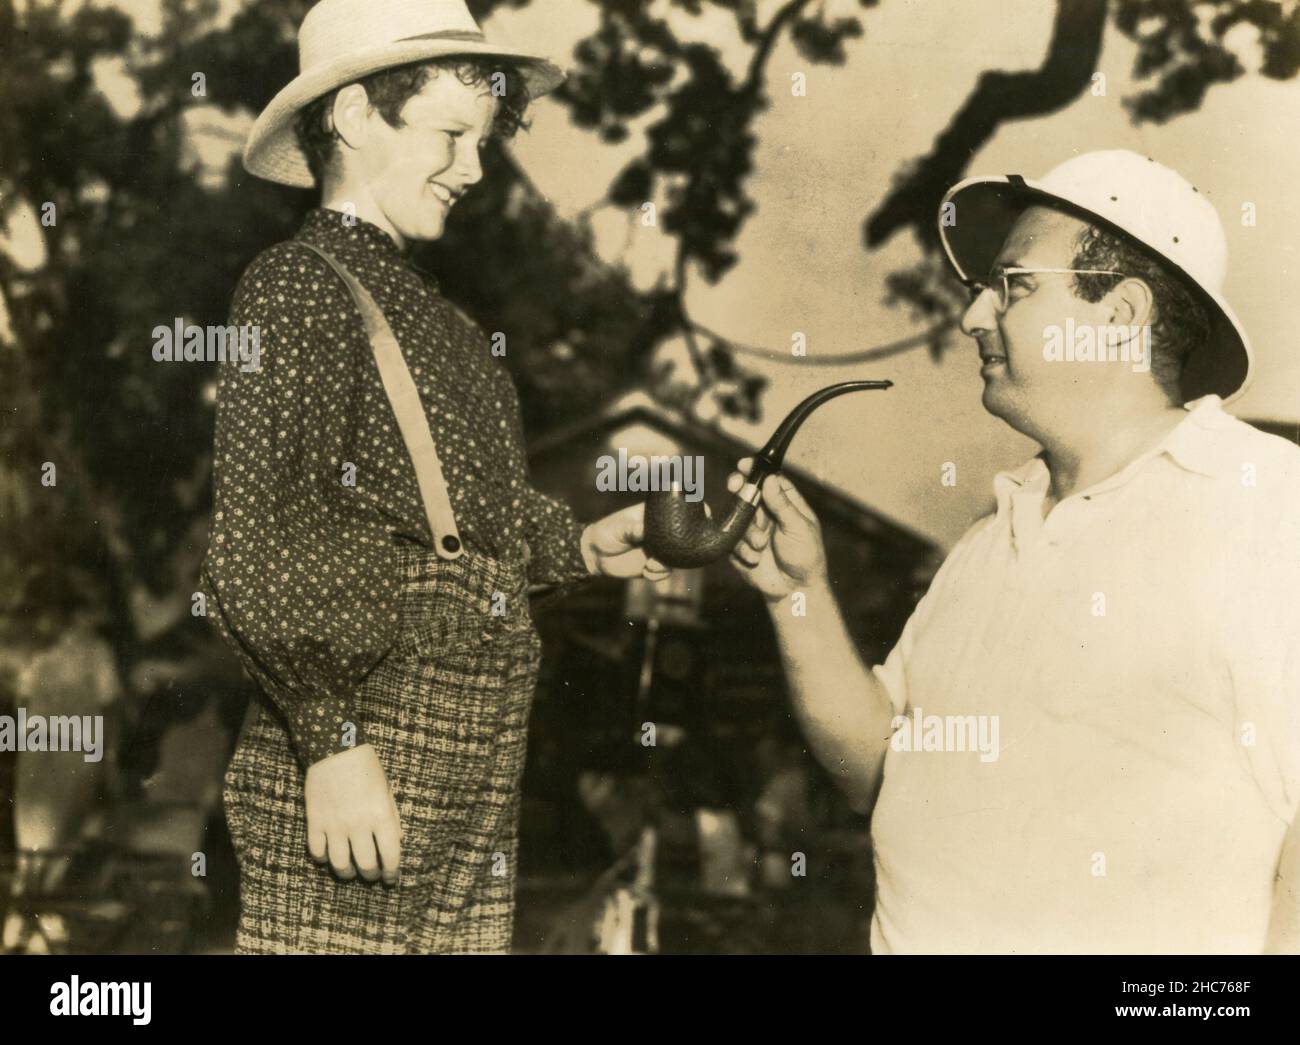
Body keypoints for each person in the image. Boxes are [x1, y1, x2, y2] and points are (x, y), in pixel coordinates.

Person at [727, 150, 1300, 954]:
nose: (972, 317)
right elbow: (876, 771)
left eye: (1014, 285)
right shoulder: (990, 537)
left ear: (1121, 313)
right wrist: (797, 593)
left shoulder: (1269, 506)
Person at [201, 0, 668, 955]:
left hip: (476, 768)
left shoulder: (447, 324)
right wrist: (328, 737)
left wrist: (574, 542)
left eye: (485, 139)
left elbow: (463, 513)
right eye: (451, 134)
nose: (475, 168)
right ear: (353, 117)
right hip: (368, 748)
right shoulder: (296, 287)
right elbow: (249, 542)